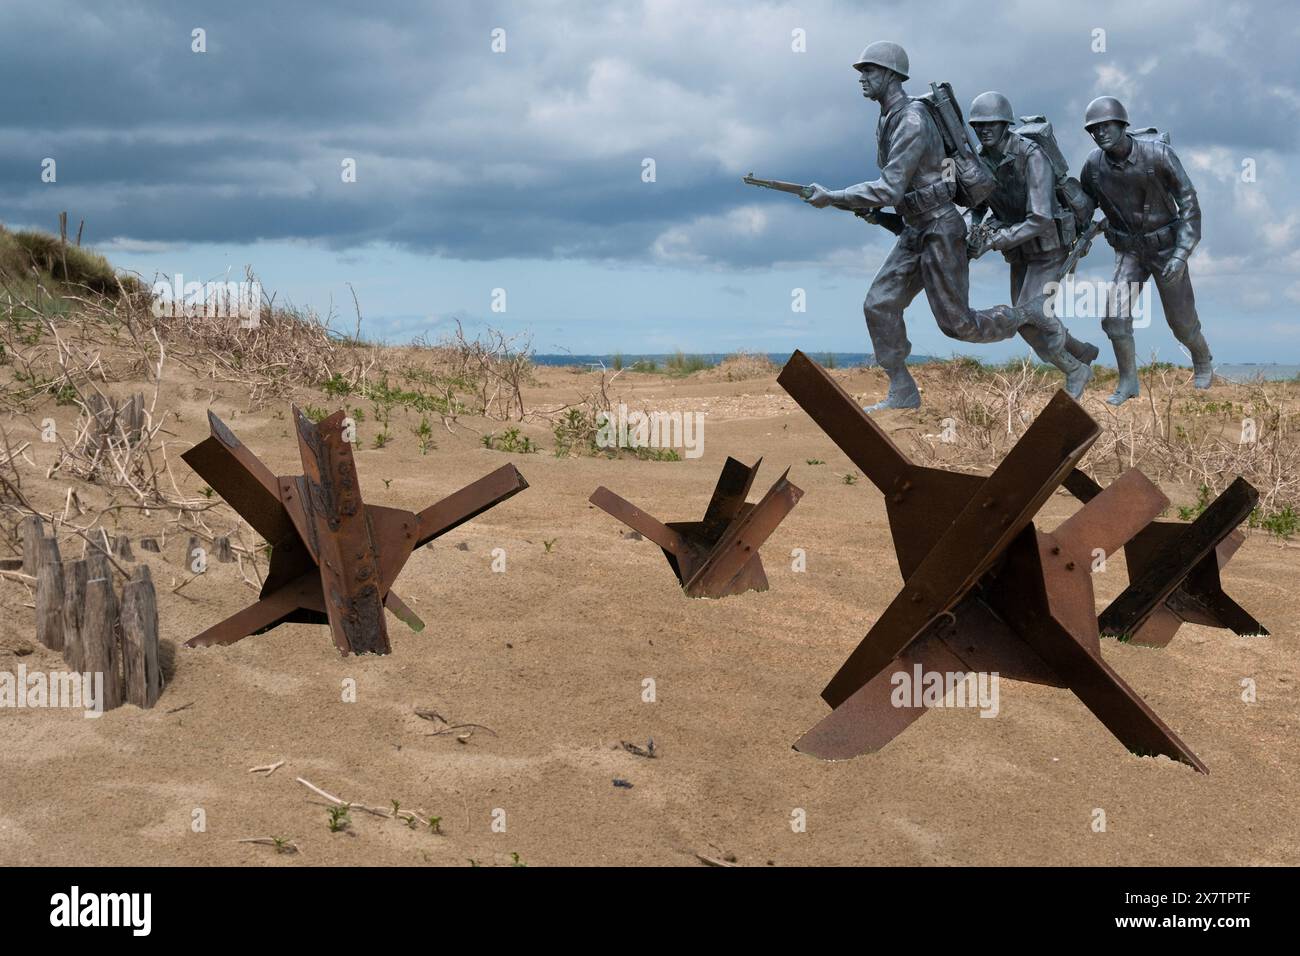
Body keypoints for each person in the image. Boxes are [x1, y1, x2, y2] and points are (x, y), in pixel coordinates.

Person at [803, 41, 1091, 411]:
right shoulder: (886, 119)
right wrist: (877, 213)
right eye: (861, 72)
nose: (862, 78)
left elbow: (889, 187)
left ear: (891, 75)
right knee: (879, 304)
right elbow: (907, 191)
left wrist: (834, 197)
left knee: (958, 325)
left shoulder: (912, 121)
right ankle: (903, 390)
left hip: (940, 229)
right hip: (914, 228)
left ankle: (1021, 315)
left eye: (869, 71)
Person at [1079, 95, 1213, 405]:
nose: (1100, 133)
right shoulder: (1093, 165)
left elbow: (1189, 204)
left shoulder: (1158, 156)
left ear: (1122, 124)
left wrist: (1181, 253)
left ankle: (1202, 358)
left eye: (1106, 126)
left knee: (1181, 323)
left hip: (1167, 248)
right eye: (1094, 129)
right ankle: (1128, 383)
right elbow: (1084, 206)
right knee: (1114, 318)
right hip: (1129, 252)